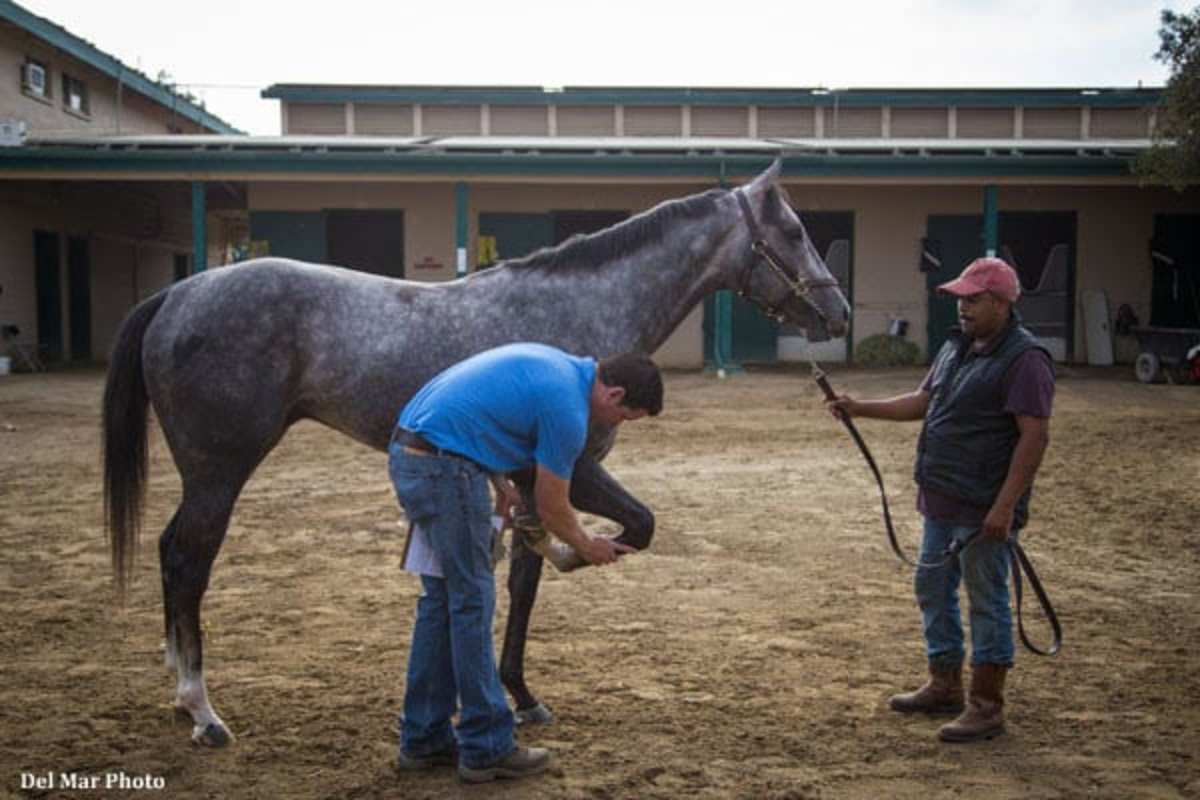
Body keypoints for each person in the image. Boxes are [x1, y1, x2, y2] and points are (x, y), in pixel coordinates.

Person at [388, 343, 663, 782]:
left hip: (413, 454)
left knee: (441, 602)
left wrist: (497, 478)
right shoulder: (569, 411)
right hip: (447, 472)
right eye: (624, 417)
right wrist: (586, 545)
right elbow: (552, 505)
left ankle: (424, 737)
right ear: (614, 395)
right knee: (472, 602)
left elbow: (478, 413)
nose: (616, 425)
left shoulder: (555, 366)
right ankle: (487, 745)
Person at [828, 257, 1054, 743]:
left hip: (983, 505)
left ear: (1001, 303)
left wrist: (1005, 506)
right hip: (941, 496)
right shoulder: (956, 348)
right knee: (931, 586)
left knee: (986, 600)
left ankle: (986, 705)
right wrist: (860, 408)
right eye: (960, 300)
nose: (962, 308)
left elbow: (1033, 437)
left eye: (973, 300)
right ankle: (944, 683)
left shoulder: (1026, 360)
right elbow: (923, 401)